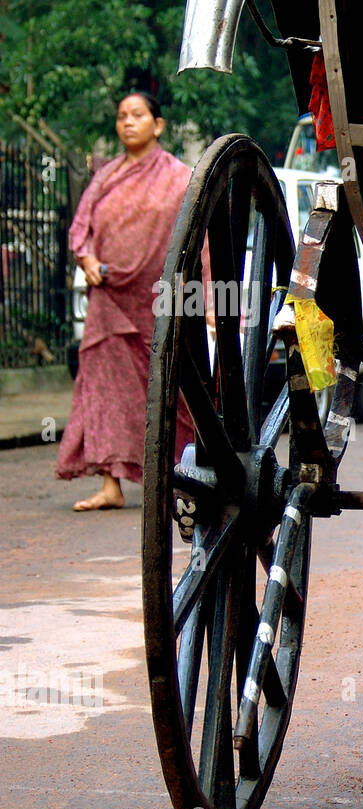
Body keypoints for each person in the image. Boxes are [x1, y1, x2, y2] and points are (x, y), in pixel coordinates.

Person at [56, 92, 191, 510]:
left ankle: (180, 476)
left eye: (137, 115)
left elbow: (198, 240)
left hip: (158, 302)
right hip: (109, 302)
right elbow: (81, 228)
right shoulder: (106, 176)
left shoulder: (180, 177)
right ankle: (110, 486)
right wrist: (88, 259)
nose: (127, 122)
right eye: (121, 116)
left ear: (159, 124)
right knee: (104, 388)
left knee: (174, 393)